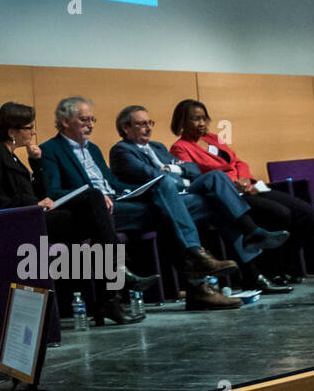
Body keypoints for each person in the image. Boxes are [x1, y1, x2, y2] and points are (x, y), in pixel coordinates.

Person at [37, 97, 242, 311]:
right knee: (168, 214)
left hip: (119, 202)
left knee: (172, 209)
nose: (90, 124)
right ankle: (198, 278)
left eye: (92, 119)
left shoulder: (94, 149)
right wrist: (93, 194)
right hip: (95, 212)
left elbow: (112, 182)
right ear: (65, 121)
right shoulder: (50, 150)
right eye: (84, 119)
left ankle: (198, 276)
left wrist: (134, 190)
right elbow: (54, 191)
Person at [0, 102, 158, 326]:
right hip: (21, 223)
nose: (33, 133)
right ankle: (116, 281)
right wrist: (31, 204)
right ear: (12, 131)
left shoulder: (14, 157)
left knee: (97, 213)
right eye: (28, 128)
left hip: (35, 216)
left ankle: (110, 299)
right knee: (93, 199)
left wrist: (36, 162)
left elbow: (40, 191)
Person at [108, 105, 292, 294]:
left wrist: (172, 170)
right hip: (161, 203)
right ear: (125, 128)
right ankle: (251, 273)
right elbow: (154, 177)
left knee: (216, 177)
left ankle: (252, 233)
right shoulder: (121, 150)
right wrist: (177, 172)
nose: (148, 128)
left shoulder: (158, 147)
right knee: (220, 206)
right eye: (141, 124)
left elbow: (194, 169)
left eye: (150, 123)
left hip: (185, 194)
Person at [169, 99, 313, 283]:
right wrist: (234, 182)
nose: (202, 123)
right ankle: (272, 271)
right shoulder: (179, 148)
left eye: (204, 118)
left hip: (246, 186)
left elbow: (237, 161)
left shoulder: (214, 138)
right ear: (182, 122)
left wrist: (244, 178)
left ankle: (286, 268)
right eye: (196, 119)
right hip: (227, 196)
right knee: (281, 214)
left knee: (304, 213)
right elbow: (197, 177)